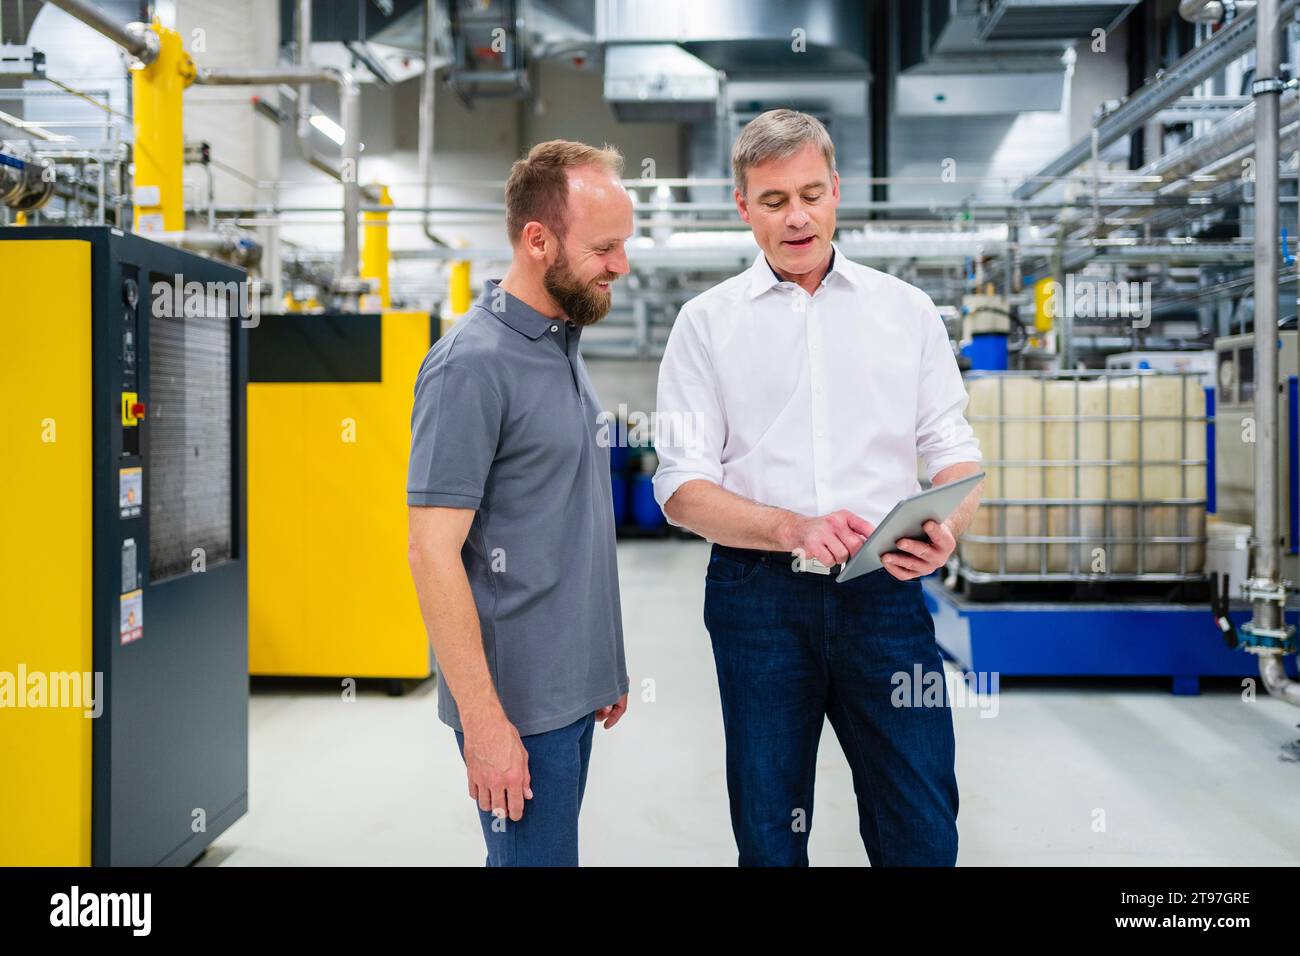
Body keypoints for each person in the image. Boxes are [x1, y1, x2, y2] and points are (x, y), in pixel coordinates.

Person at [652, 109, 984, 866]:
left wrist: (947, 525)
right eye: (773, 201)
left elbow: (956, 454)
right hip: (757, 600)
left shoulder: (906, 313)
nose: (797, 218)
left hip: (885, 599)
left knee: (922, 829)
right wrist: (788, 528)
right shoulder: (705, 324)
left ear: (836, 190)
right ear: (742, 206)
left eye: (811, 194)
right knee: (771, 836)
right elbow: (681, 485)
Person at [407, 140, 633, 867]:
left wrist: (606, 663)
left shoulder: (561, 347)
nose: (620, 266)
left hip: (573, 693)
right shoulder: (470, 364)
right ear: (538, 240)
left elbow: (570, 522)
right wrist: (484, 723)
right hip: (518, 707)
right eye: (604, 247)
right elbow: (430, 551)